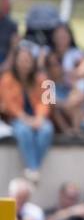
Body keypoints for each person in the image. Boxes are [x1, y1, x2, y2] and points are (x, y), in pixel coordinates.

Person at [0, 40, 53, 181]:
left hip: (39, 118)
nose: (25, 63)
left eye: (28, 60)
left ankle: (32, 168)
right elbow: (9, 104)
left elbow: (48, 101)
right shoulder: (6, 79)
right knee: (24, 132)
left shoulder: (43, 78)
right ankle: (34, 169)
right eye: (22, 60)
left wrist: (40, 118)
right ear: (16, 61)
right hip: (17, 119)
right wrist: (26, 119)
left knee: (46, 130)